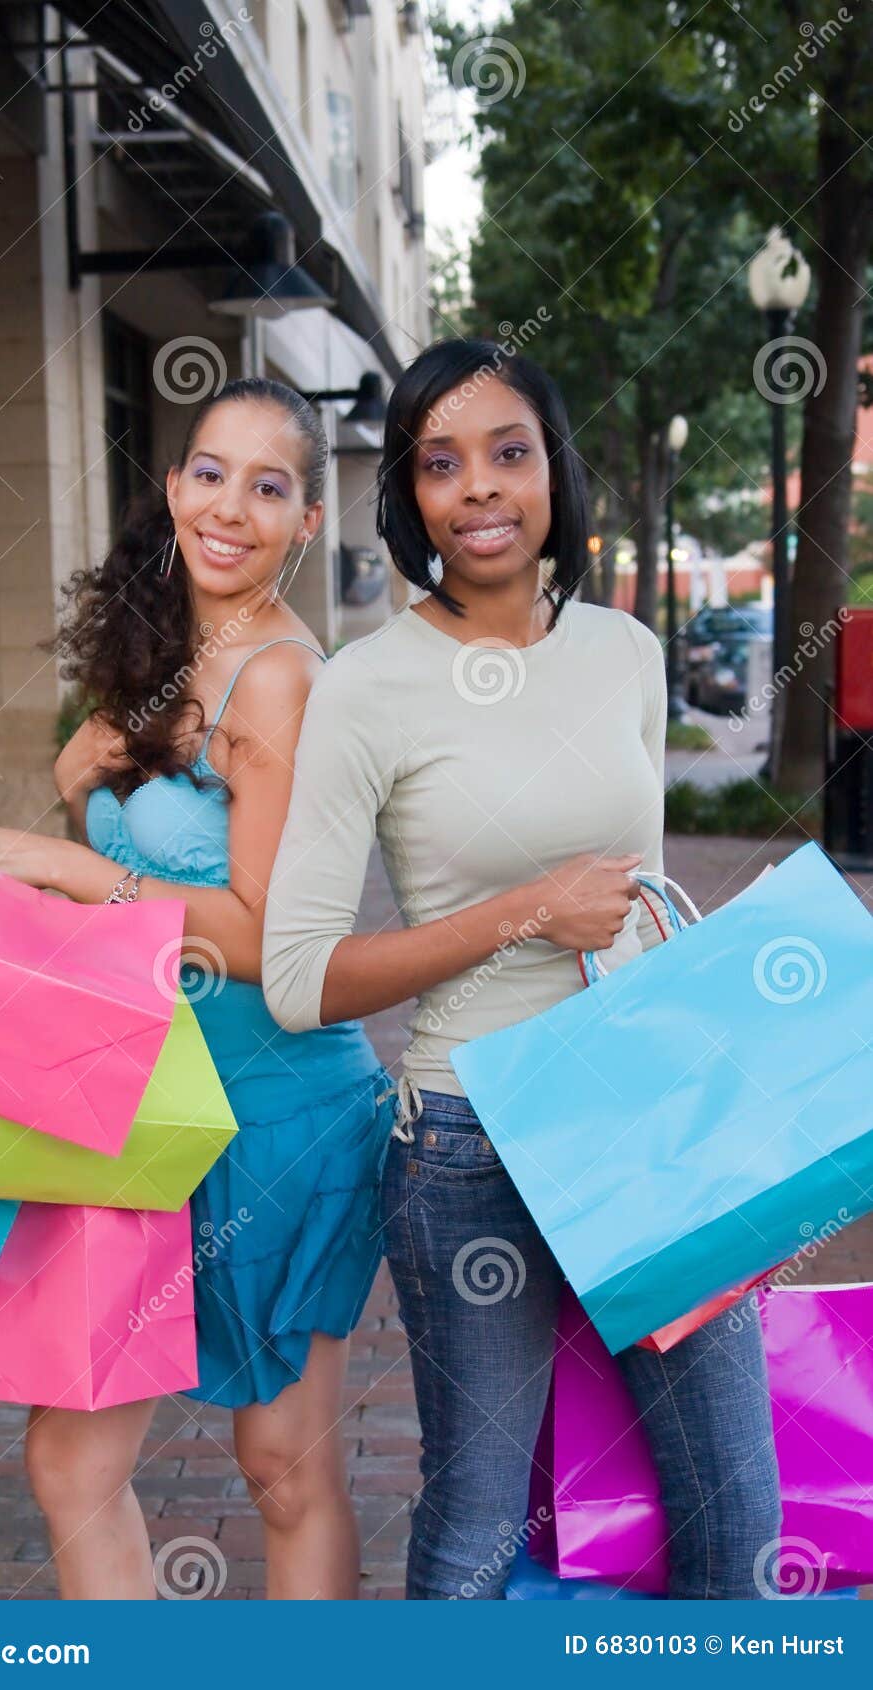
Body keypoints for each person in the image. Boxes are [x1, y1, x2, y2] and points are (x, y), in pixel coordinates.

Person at [260, 338, 783, 1600]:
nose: (479, 489)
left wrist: (739, 1109)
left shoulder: (622, 651)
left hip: (638, 1121)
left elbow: (635, 911)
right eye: (440, 464)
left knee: (735, 1506)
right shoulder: (366, 687)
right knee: (476, 1525)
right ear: (408, 493)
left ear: (555, 469)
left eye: (508, 452)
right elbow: (295, 976)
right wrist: (519, 912)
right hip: (463, 1139)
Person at [0, 377, 397, 1600]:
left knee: (281, 1469)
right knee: (69, 1458)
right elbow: (139, 835)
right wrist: (79, 788)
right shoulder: (158, 653)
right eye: (209, 473)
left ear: (306, 521)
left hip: (274, 1111)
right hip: (142, 1102)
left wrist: (72, 863)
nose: (229, 507)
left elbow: (271, 938)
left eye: (268, 487)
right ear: (171, 489)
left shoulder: (278, 680)